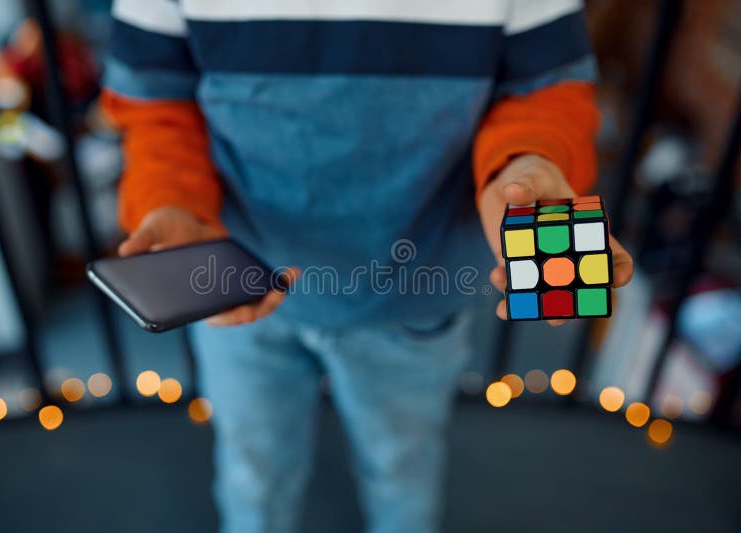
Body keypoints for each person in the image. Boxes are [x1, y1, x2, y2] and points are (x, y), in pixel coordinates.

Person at [101, 1, 634, 532]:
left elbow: (544, 94)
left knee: (402, 472)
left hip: (416, 294)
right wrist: (169, 200)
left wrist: (528, 163)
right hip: (235, 285)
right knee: (255, 477)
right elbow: (156, 105)